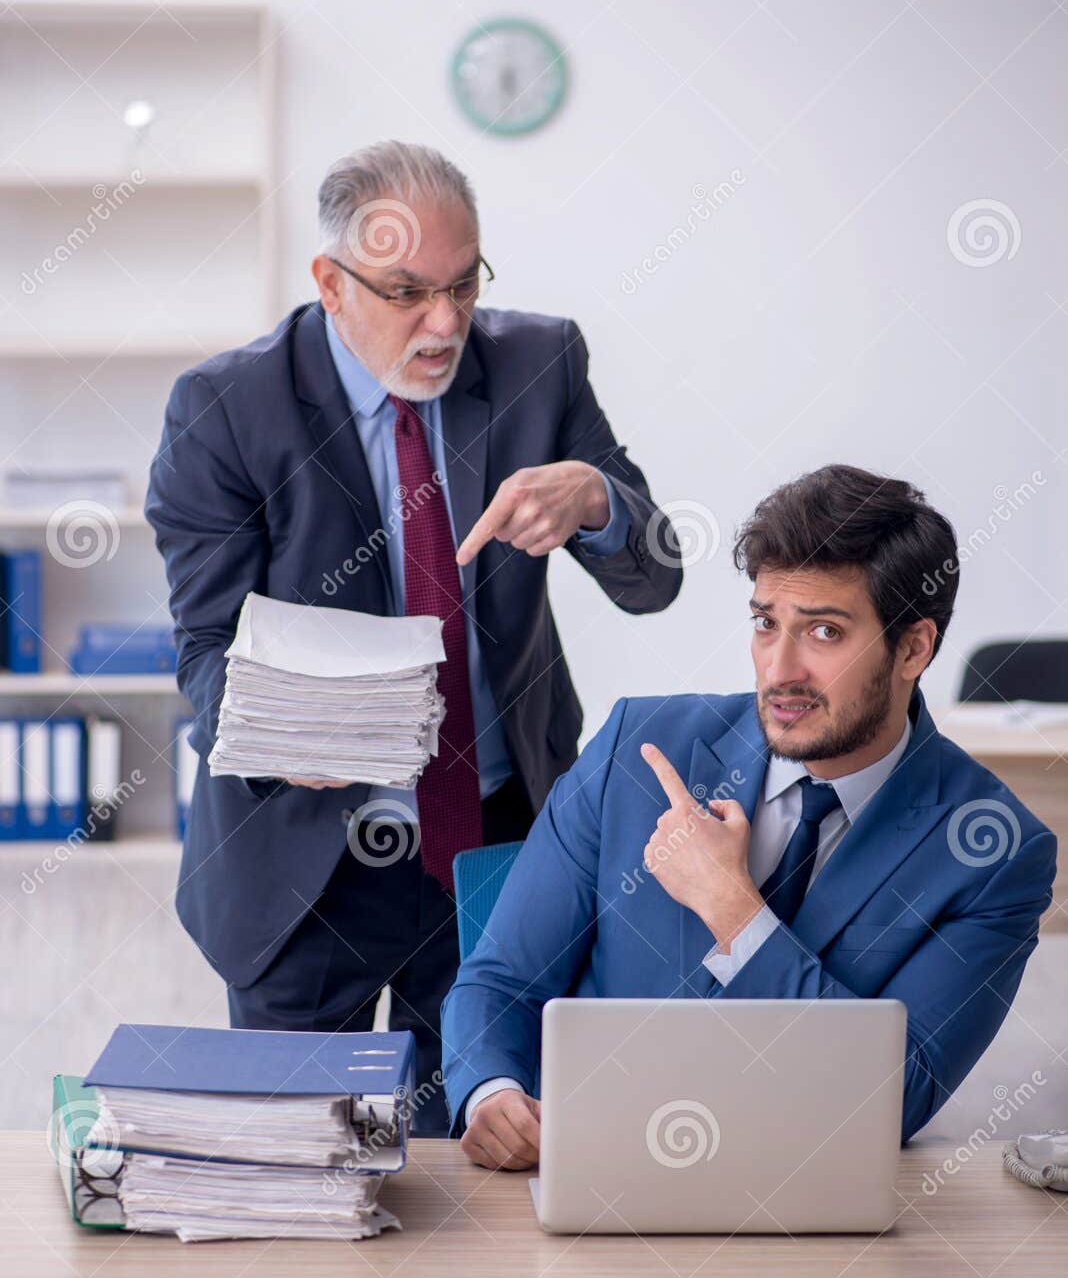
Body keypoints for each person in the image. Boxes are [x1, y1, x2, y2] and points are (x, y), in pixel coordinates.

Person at [146, 140, 682, 1133]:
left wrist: (602, 500)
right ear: (330, 282)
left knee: (490, 1169)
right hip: (305, 860)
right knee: (305, 1171)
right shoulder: (226, 408)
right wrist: (278, 730)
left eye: (463, 285)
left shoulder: (538, 363)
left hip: (492, 846)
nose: (444, 324)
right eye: (406, 292)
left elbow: (658, 576)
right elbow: (205, 647)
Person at [442, 464, 1057, 1166]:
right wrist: (491, 1092)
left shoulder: (993, 855)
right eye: (767, 624)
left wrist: (733, 908)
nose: (780, 669)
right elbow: (502, 982)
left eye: (825, 632)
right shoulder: (634, 751)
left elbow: (893, 1099)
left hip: (810, 1207)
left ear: (913, 647)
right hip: (589, 1183)